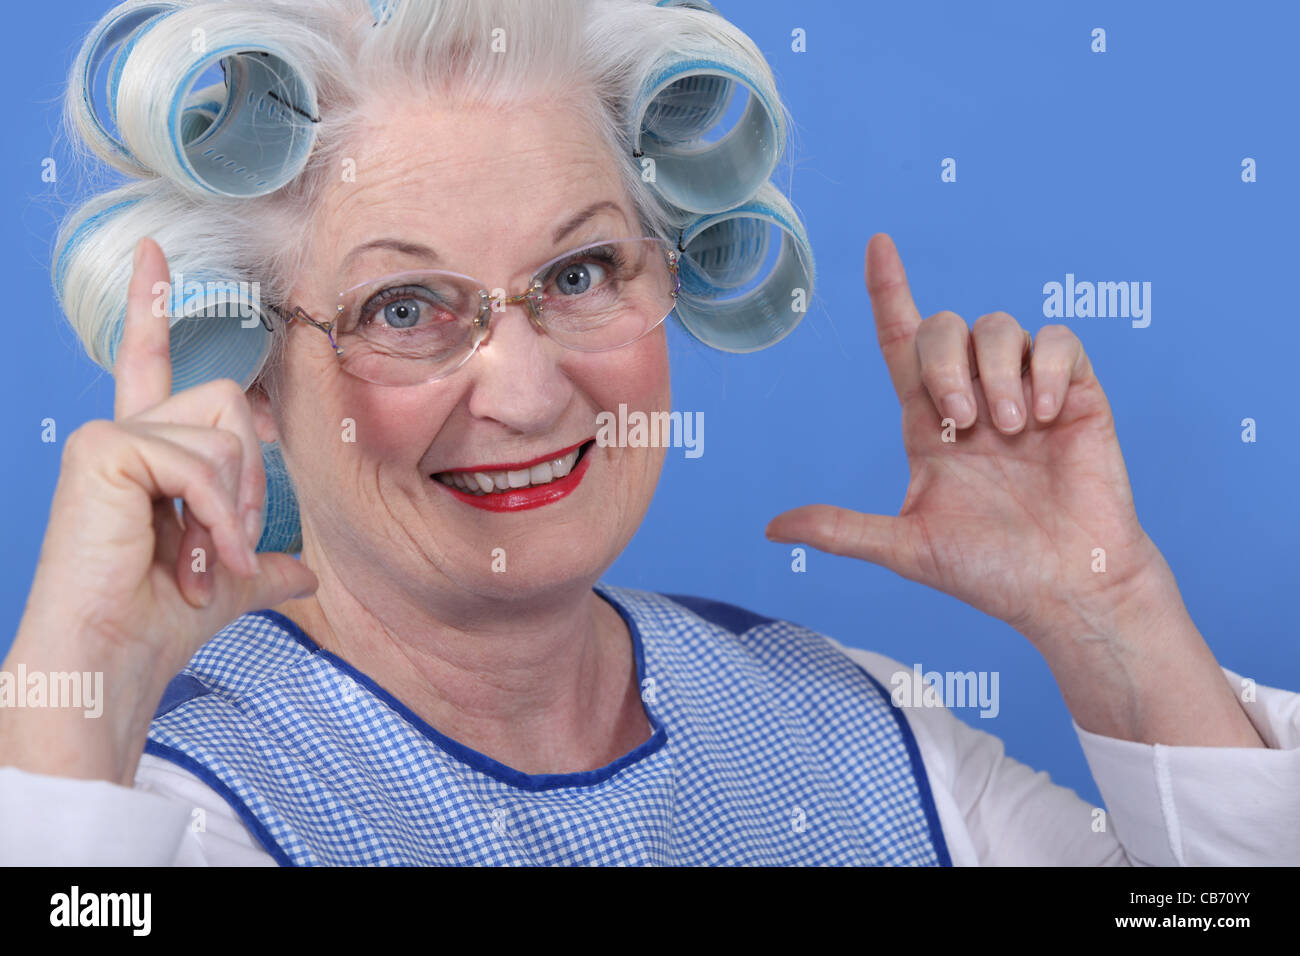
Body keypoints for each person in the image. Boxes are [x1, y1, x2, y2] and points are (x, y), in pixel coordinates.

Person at [1, 0, 1296, 866]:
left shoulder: (861, 732)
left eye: (577, 276)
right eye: (405, 307)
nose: (520, 392)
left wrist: (1109, 616)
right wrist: (73, 714)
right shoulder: (164, 811)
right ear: (252, 379)